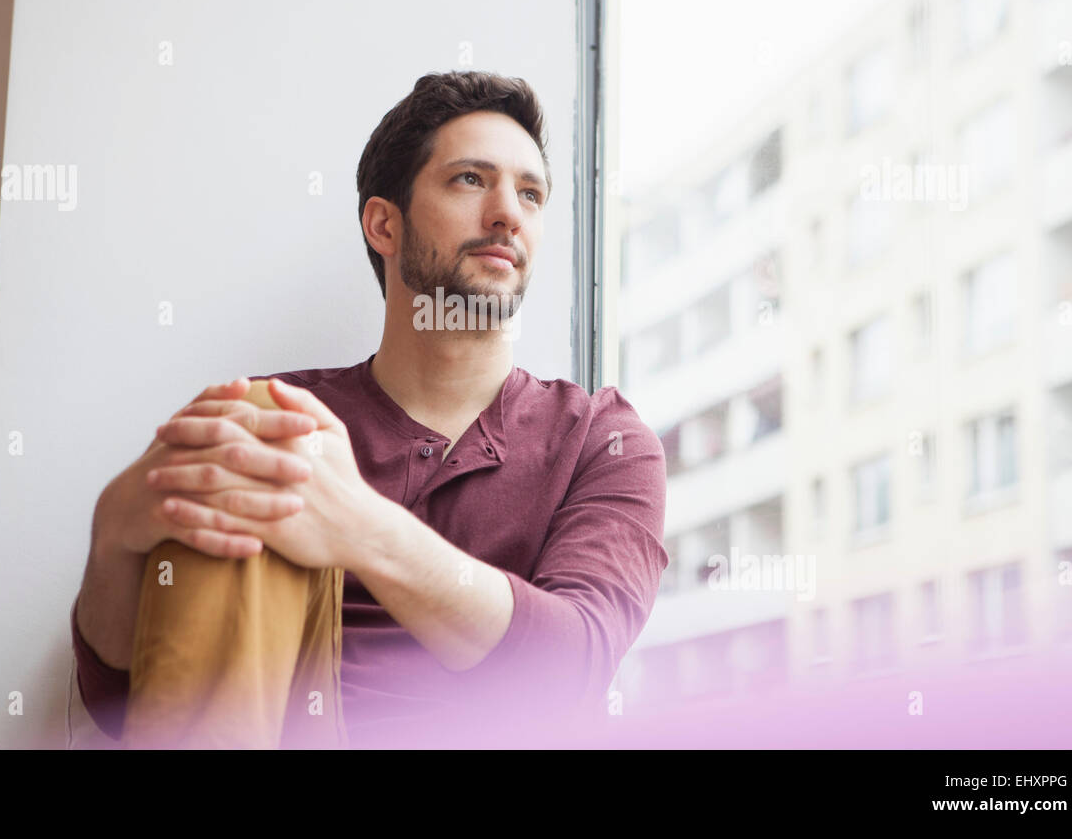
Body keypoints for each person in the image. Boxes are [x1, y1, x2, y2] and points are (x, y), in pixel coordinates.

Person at [70, 70, 668, 748]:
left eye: (531, 193)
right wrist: (114, 537)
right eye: (471, 179)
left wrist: (360, 526)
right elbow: (122, 698)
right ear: (384, 224)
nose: (509, 212)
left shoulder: (603, 439)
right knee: (253, 428)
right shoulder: (282, 417)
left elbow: (571, 670)